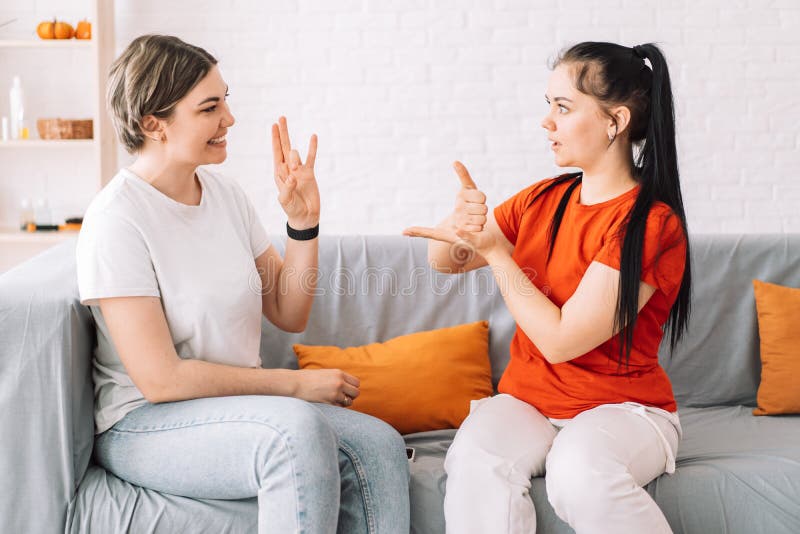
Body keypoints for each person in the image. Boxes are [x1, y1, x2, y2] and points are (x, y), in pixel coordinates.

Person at [76, 34, 409, 534]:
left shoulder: (224, 194)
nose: (229, 118)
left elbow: (288, 310)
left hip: (238, 408)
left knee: (379, 445)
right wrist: (294, 386)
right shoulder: (116, 220)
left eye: (226, 100)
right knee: (294, 432)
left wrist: (303, 223)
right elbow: (161, 380)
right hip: (145, 421)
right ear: (153, 124)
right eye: (210, 107)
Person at [404, 42, 691, 534]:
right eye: (548, 106)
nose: (546, 122)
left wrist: (496, 251)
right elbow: (444, 261)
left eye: (563, 107)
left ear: (614, 122)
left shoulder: (649, 224)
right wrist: (463, 225)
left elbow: (560, 341)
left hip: (623, 410)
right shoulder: (544, 198)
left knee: (578, 472)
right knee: (473, 460)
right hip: (528, 402)